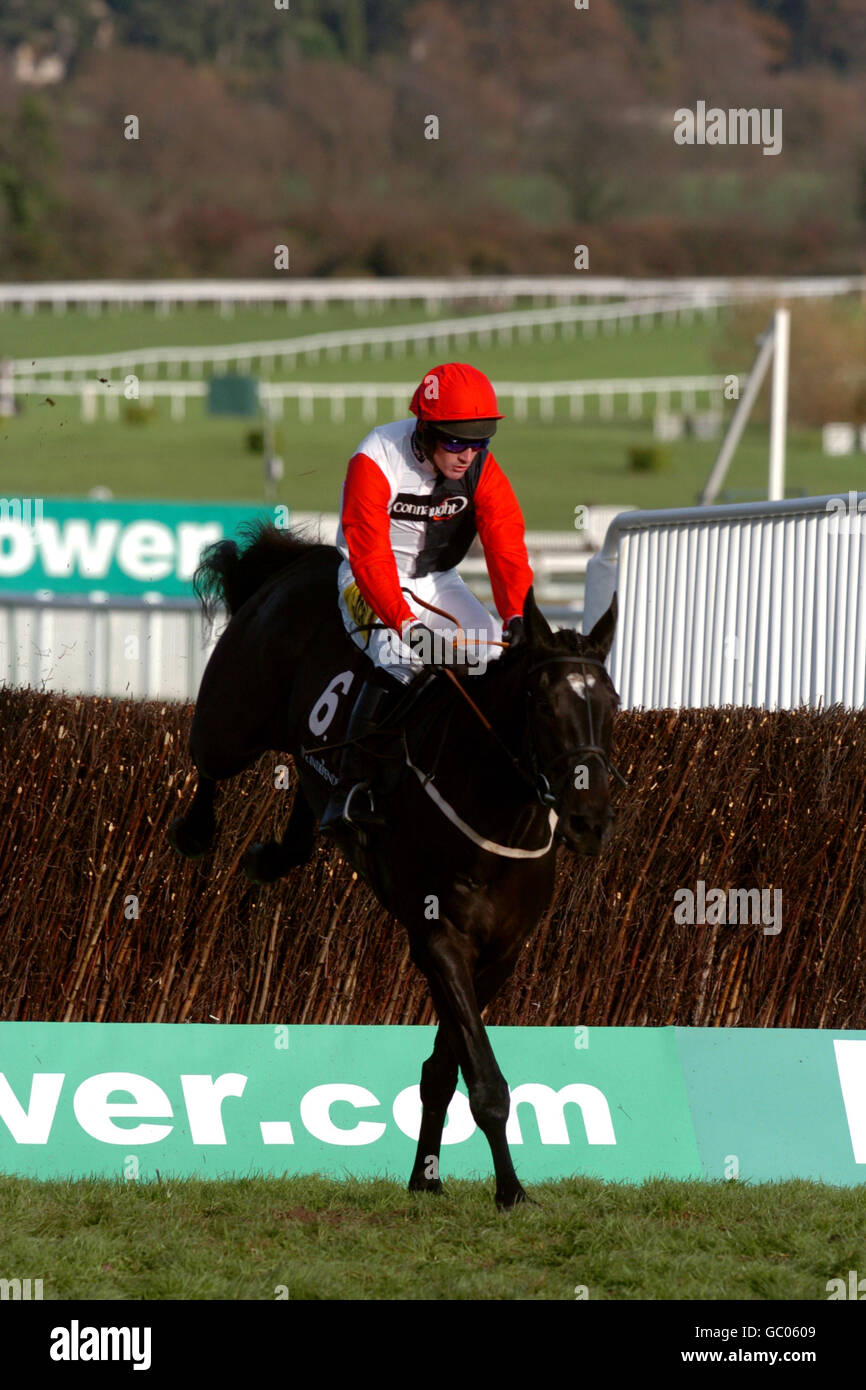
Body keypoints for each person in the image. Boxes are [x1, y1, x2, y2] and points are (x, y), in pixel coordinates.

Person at [320, 362, 533, 836]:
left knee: (489, 654)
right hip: (367, 580)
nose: (467, 455)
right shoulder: (375, 457)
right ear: (424, 429)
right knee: (400, 659)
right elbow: (369, 556)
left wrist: (517, 615)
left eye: (479, 442)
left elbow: (506, 543)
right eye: (456, 441)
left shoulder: (480, 468)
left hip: (438, 579)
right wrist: (406, 625)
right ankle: (350, 790)